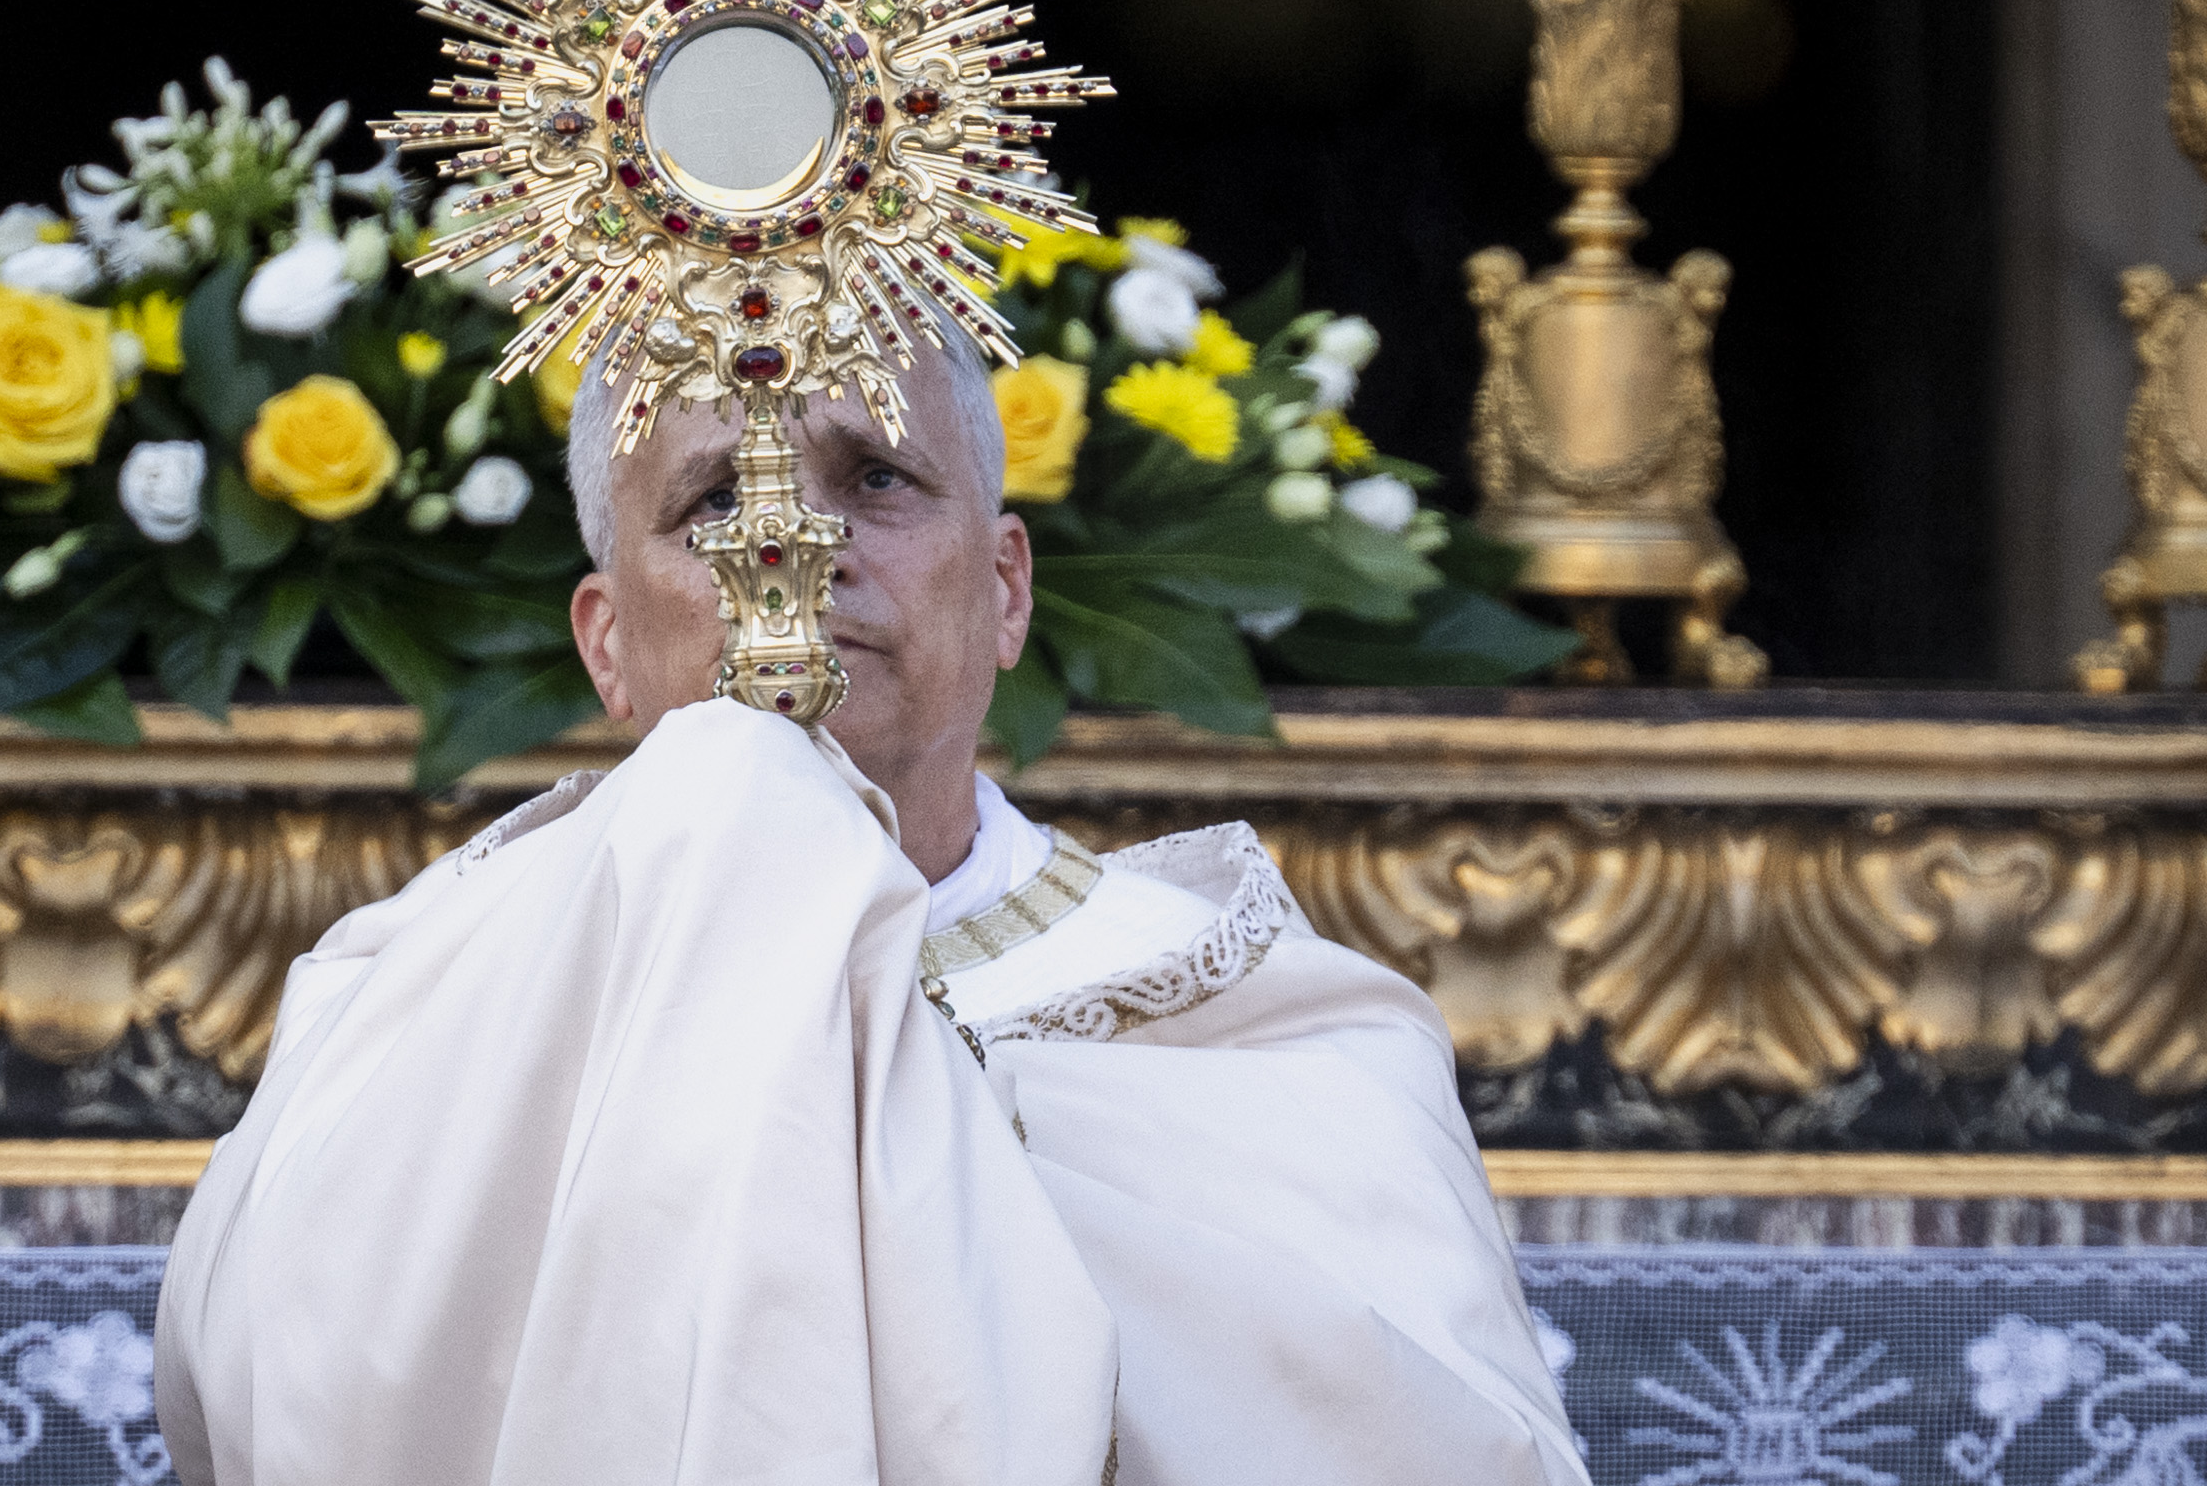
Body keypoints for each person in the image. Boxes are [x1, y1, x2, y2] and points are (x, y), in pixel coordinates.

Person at [152, 337, 1587, 1485]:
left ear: (1008, 590)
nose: (793, 546)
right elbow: (290, 1402)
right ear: (606, 641)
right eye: (714, 501)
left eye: (880, 482)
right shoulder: (416, 999)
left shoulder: (1267, 1036)